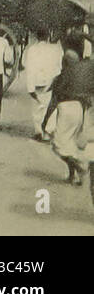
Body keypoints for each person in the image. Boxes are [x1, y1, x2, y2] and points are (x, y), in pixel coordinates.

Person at [41, 33, 94, 189]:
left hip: (66, 108)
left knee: (59, 145)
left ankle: (79, 167)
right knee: (71, 143)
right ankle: (73, 175)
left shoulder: (61, 77)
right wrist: (87, 36)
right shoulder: (88, 68)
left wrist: (45, 120)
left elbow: (53, 101)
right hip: (81, 109)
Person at [24, 29, 64, 141]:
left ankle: (38, 132)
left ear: (37, 37)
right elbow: (59, 66)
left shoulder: (32, 49)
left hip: (36, 82)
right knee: (49, 107)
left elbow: (29, 68)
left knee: (37, 108)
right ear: (48, 37)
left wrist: (30, 87)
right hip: (50, 81)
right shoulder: (55, 49)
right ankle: (47, 131)